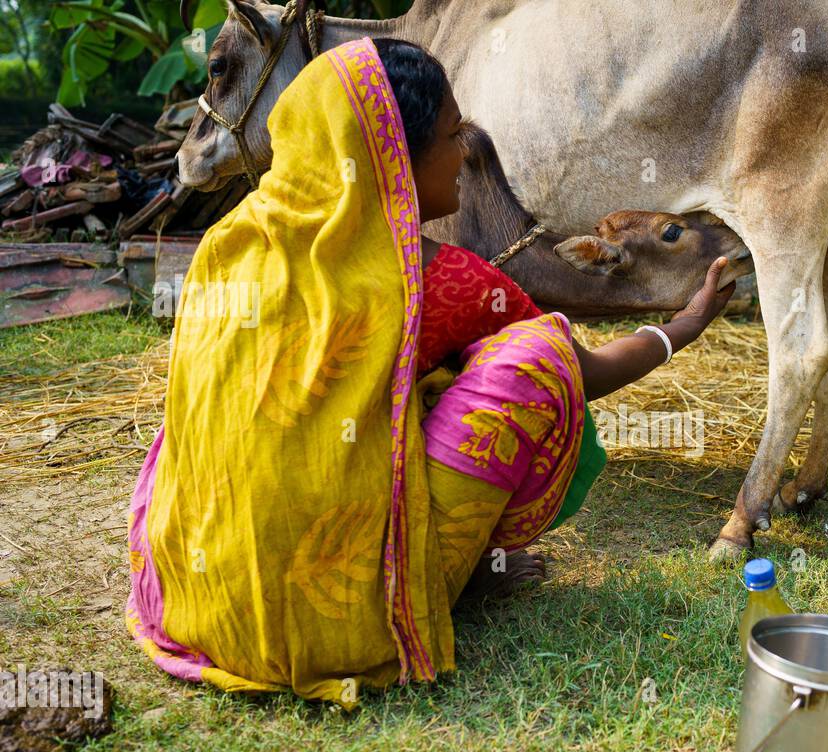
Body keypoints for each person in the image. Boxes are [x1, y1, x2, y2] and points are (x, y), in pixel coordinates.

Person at [124, 37, 733, 706]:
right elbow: (579, 372)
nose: (465, 148)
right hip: (336, 621)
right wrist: (683, 326)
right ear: (395, 157)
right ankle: (458, 577)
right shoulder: (423, 276)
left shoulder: (228, 245)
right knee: (536, 357)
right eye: (451, 133)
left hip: (196, 596)